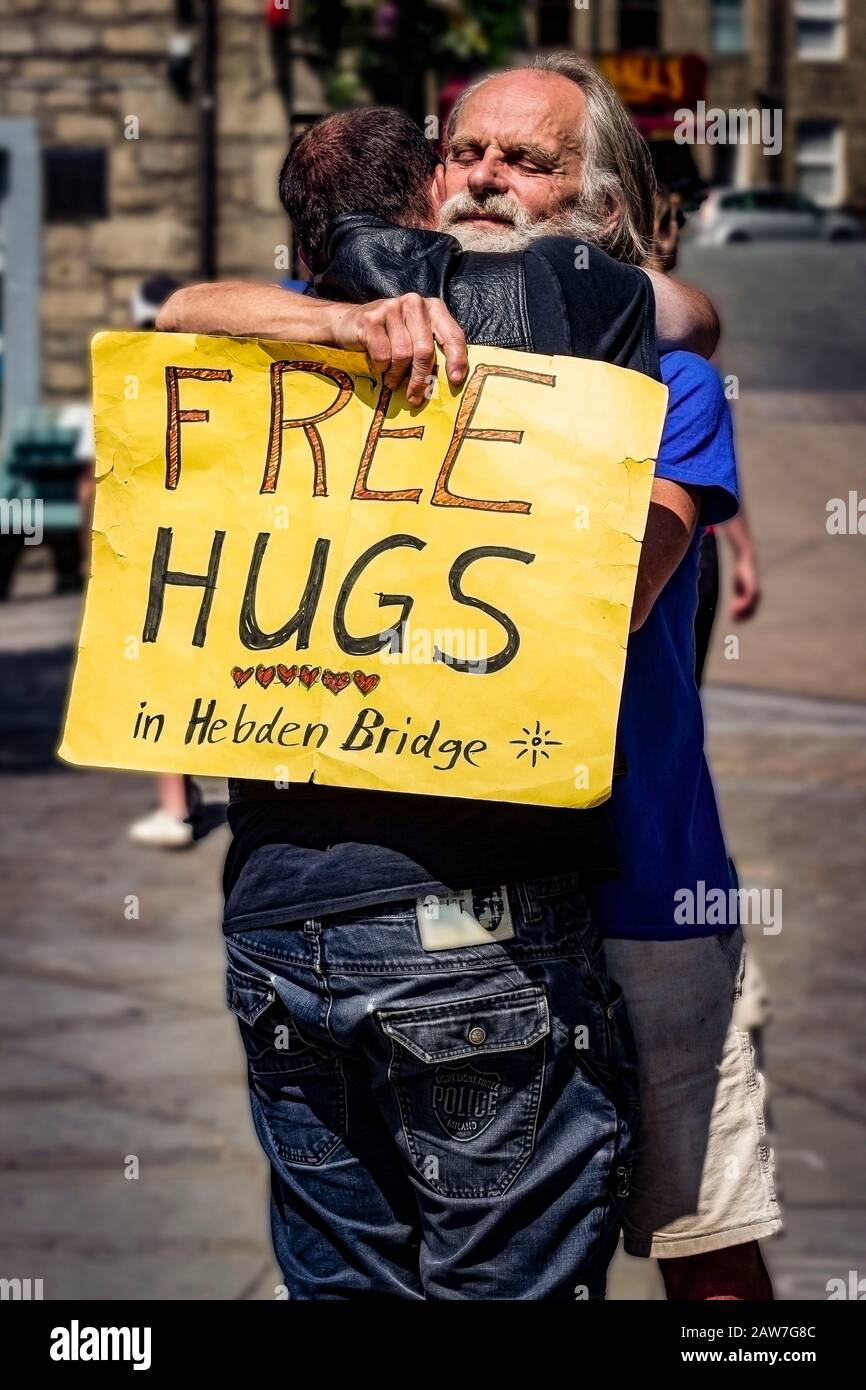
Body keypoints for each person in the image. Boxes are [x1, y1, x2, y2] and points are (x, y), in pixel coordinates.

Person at [160, 56, 780, 1299]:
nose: (485, 174)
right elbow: (183, 313)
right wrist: (345, 320)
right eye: (463, 152)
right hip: (451, 901)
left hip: (644, 884)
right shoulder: (355, 340)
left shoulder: (669, 378)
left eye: (528, 160)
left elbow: (605, 597)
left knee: (702, 1243)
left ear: (597, 204)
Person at [650, 185, 762, 685]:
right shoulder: (682, 334)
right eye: (675, 222)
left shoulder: (680, 324)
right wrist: (744, 553)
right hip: (692, 540)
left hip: (691, 525)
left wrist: (743, 549)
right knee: (675, 672)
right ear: (663, 228)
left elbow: (707, 463)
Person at [116, 276, 202, 849]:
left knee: (160, 668)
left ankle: (176, 808)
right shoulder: (233, 363)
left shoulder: (141, 379)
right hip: (222, 539)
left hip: (165, 542)